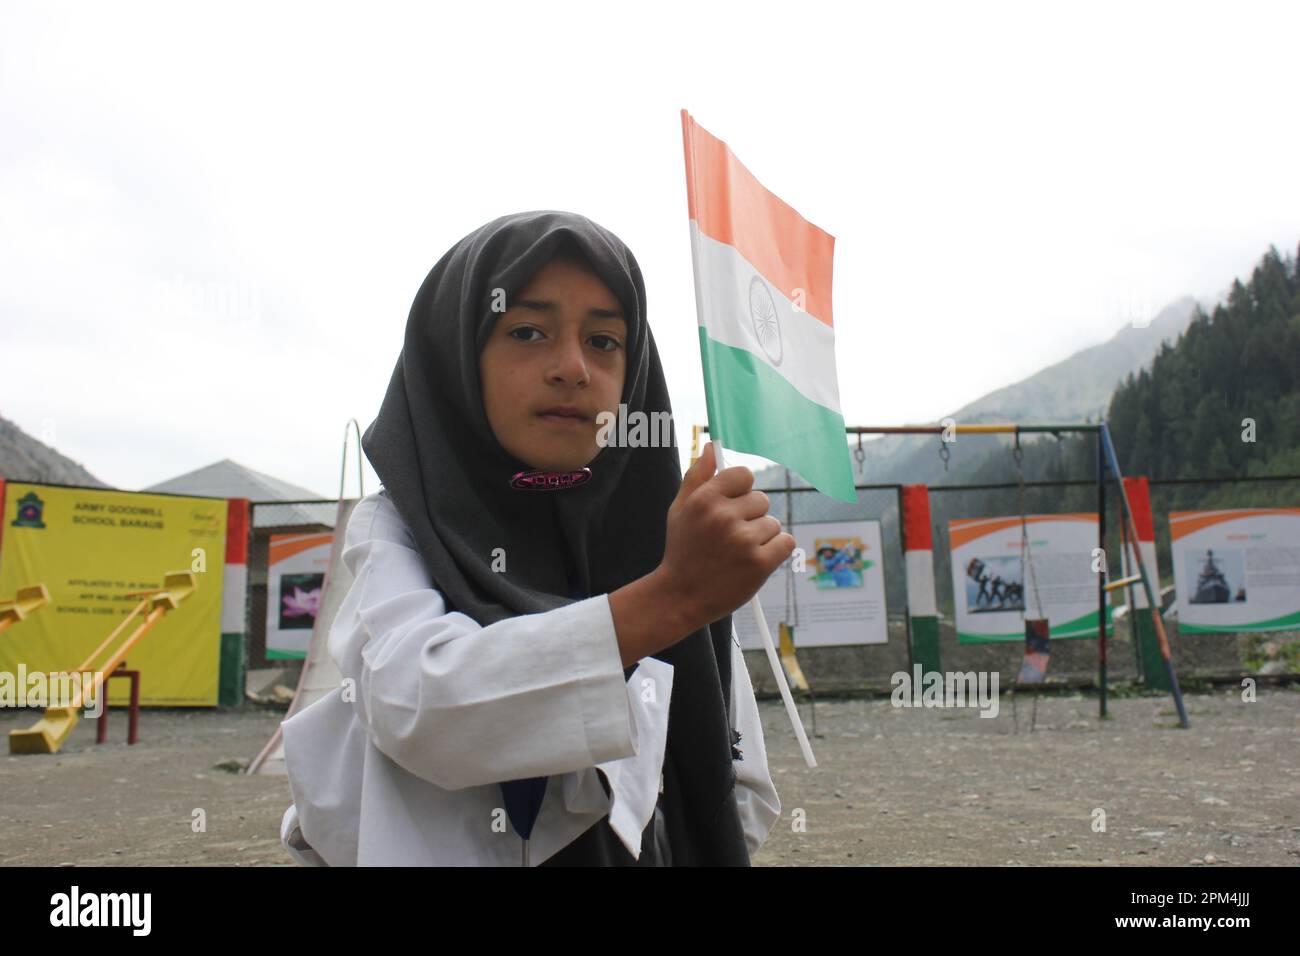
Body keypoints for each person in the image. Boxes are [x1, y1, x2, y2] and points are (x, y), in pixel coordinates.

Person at [278, 210, 789, 866]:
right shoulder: (400, 526)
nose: (572, 367)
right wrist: (670, 601)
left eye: (604, 341)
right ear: (456, 354)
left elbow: (732, 775)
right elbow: (421, 708)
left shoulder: (665, 531)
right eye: (527, 331)